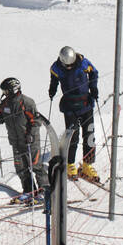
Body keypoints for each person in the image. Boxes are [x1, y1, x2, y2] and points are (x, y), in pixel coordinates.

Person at [0, 78, 44, 198]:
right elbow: (2, 117)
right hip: (15, 142)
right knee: (21, 168)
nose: (4, 93)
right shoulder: (5, 104)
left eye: (6, 91)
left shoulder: (26, 102)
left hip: (30, 141)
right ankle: (29, 191)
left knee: (36, 165)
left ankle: (45, 190)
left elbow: (36, 120)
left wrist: (31, 135)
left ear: (13, 90)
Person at [48, 46, 99, 181]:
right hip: (70, 106)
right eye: (66, 65)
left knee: (89, 134)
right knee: (72, 136)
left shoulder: (83, 63)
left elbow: (94, 73)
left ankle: (87, 164)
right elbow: (54, 79)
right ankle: (70, 164)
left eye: (71, 65)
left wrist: (93, 88)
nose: (69, 67)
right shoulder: (56, 67)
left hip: (86, 103)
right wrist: (52, 89)